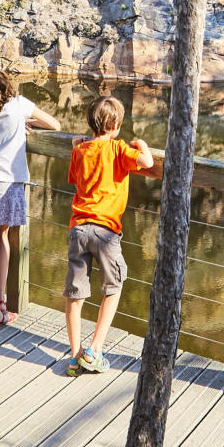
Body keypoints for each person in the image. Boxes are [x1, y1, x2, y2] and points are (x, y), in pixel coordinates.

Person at [63, 94, 157, 375]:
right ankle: (95, 350)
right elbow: (149, 162)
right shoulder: (118, 150)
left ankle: (74, 354)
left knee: (75, 295)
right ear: (115, 126)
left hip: (78, 228)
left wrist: (75, 145)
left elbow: (76, 178)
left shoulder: (80, 150)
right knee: (113, 288)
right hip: (106, 232)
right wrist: (141, 145)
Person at [0, 60, 59, 329]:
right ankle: (1, 304)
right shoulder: (19, 105)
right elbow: (55, 123)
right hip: (12, 184)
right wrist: (27, 124)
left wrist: (19, 123)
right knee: (3, 239)